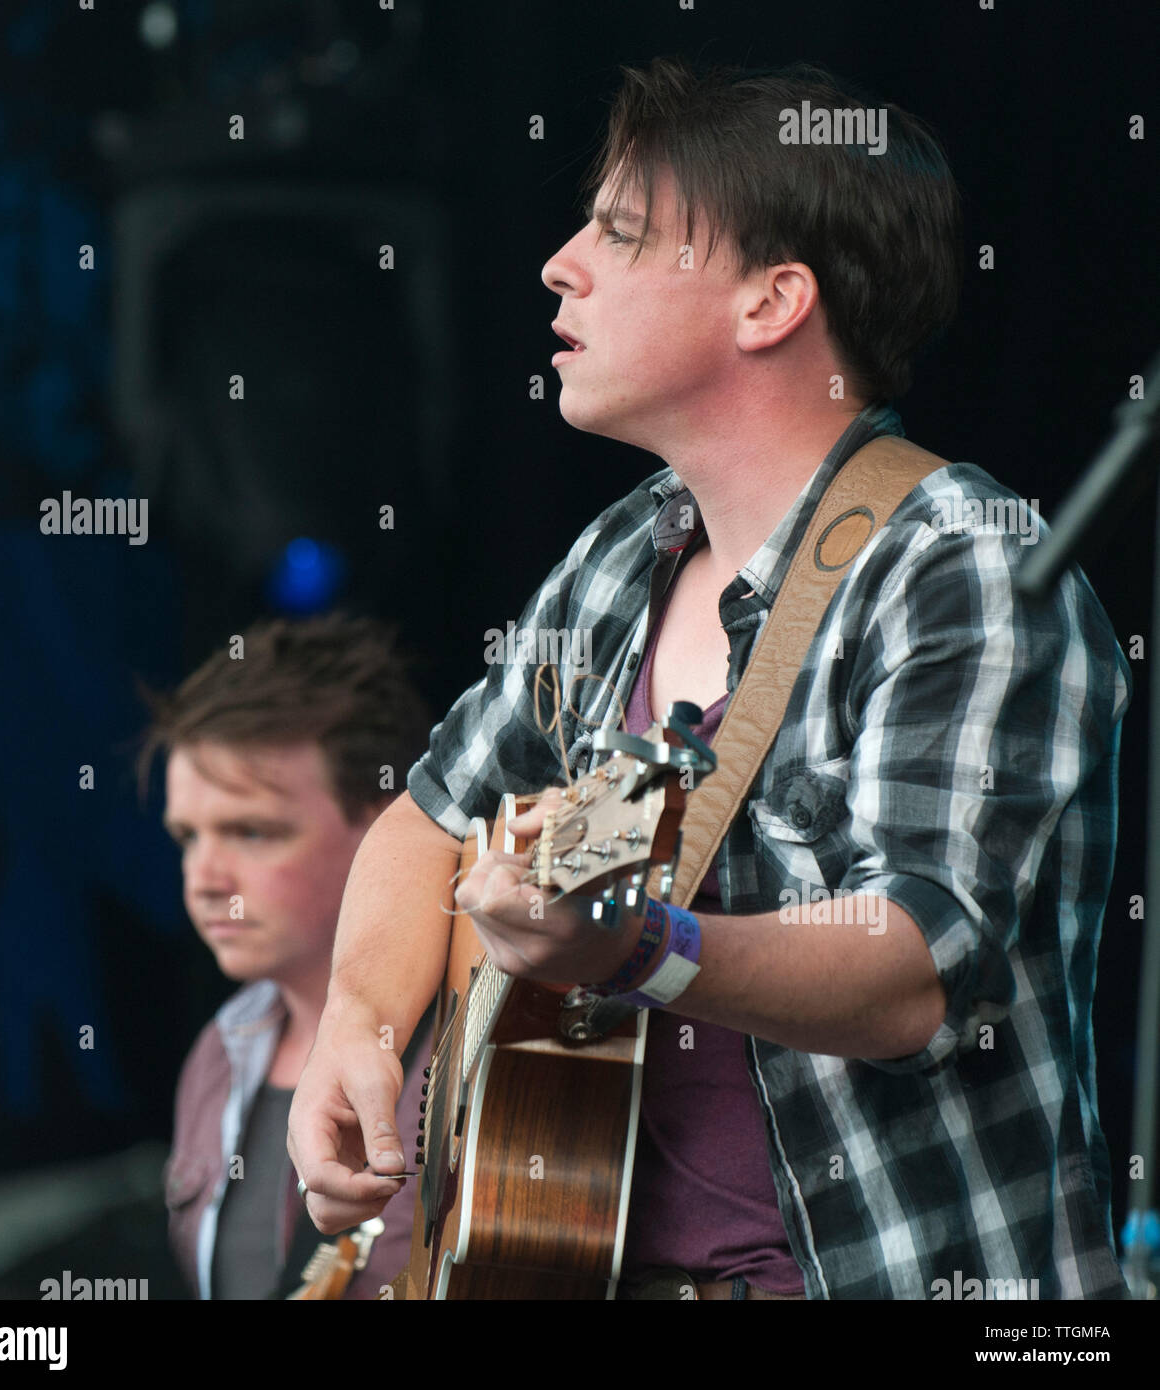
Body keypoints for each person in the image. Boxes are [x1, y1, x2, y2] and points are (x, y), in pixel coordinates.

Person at [286, 58, 1131, 1299]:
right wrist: (353, 1027)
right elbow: (430, 817)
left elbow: (913, 968)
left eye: (619, 234)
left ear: (769, 302)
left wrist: (636, 948)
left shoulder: (960, 564)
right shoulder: (626, 549)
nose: (557, 263)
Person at [141, 614, 432, 1299]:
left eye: (251, 831)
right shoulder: (218, 1053)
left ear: (390, 826)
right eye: (188, 836)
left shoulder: (493, 1032)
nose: (204, 878)